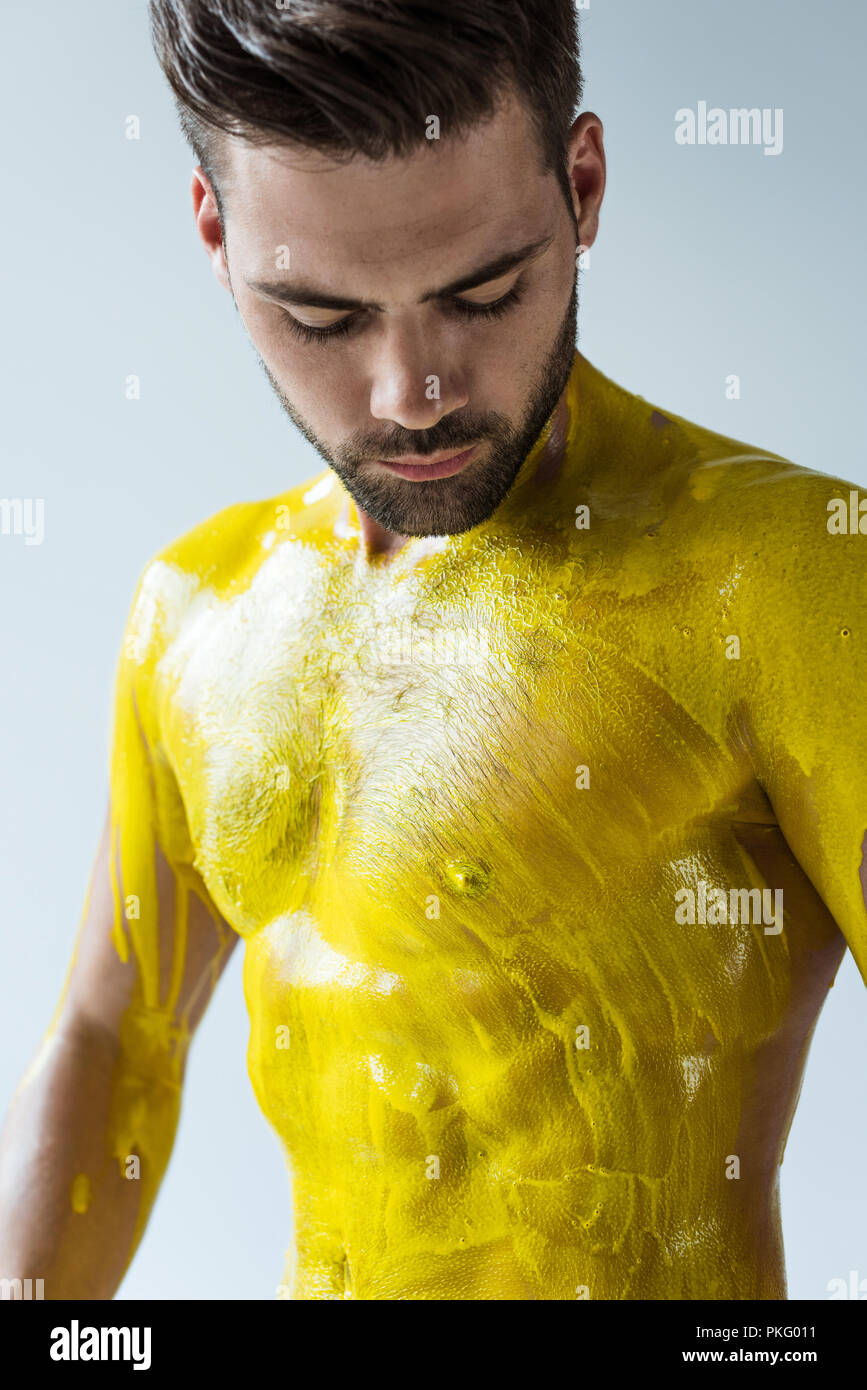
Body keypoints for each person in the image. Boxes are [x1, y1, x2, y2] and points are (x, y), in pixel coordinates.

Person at [1, 0, 864, 1301]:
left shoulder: (793, 577)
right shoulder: (192, 615)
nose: (412, 394)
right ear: (215, 238)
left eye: (483, 293)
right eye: (321, 316)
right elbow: (111, 1043)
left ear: (582, 187)